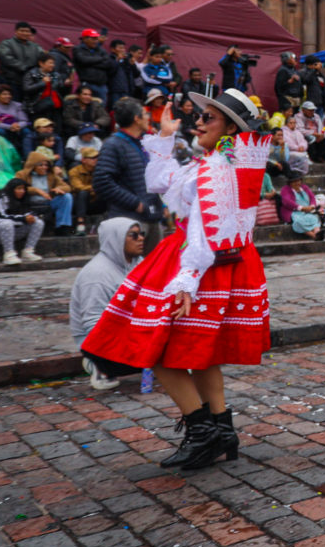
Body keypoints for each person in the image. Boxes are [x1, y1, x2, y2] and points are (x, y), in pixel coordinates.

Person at [82, 89, 271, 471]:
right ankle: (221, 431)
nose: (198, 122)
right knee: (200, 352)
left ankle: (203, 433)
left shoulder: (218, 168)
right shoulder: (216, 162)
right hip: (203, 261)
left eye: (208, 118)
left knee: (156, 349)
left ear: (230, 129)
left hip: (199, 263)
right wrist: (166, 138)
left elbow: (206, 230)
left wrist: (186, 281)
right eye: (199, 116)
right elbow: (161, 183)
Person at [69, 219, 145, 390]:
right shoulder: (97, 274)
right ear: (116, 238)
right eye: (133, 235)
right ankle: (98, 365)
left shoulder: (139, 263)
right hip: (103, 338)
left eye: (141, 234)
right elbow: (93, 322)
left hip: (132, 330)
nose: (140, 238)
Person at [93, 97, 165, 245]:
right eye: (145, 114)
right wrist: (136, 204)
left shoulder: (143, 143)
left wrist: (161, 205)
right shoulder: (113, 145)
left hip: (152, 217)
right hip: (128, 220)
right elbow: (102, 182)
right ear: (136, 119)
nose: (148, 118)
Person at [0, 177, 45, 265]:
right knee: (6, 224)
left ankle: (28, 252)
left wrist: (31, 217)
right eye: (19, 189)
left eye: (23, 189)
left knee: (38, 222)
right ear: (11, 189)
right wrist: (23, 219)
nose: (22, 191)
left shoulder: (24, 198)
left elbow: (29, 212)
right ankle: (9, 254)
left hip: (14, 231)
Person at [0, 21, 42, 90]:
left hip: (30, 82)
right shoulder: (6, 43)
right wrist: (24, 67)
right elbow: (5, 57)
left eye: (27, 31)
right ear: (16, 31)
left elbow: (43, 58)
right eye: (22, 31)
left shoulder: (35, 46)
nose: (25, 33)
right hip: (11, 81)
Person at [279, 175, 325, 239]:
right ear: (290, 183)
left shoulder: (304, 187)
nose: (297, 183)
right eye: (294, 182)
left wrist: (312, 206)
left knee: (314, 218)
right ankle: (314, 236)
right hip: (294, 212)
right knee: (299, 222)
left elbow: (312, 197)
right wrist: (301, 208)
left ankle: (317, 232)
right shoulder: (285, 189)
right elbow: (287, 201)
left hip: (307, 211)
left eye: (298, 181)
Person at [73, 29, 114, 104]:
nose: (95, 41)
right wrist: (101, 59)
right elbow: (83, 60)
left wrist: (91, 62)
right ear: (85, 39)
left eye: (96, 39)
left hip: (101, 85)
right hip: (87, 84)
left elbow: (109, 63)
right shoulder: (78, 49)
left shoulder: (100, 50)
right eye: (93, 39)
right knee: (86, 106)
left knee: (101, 107)